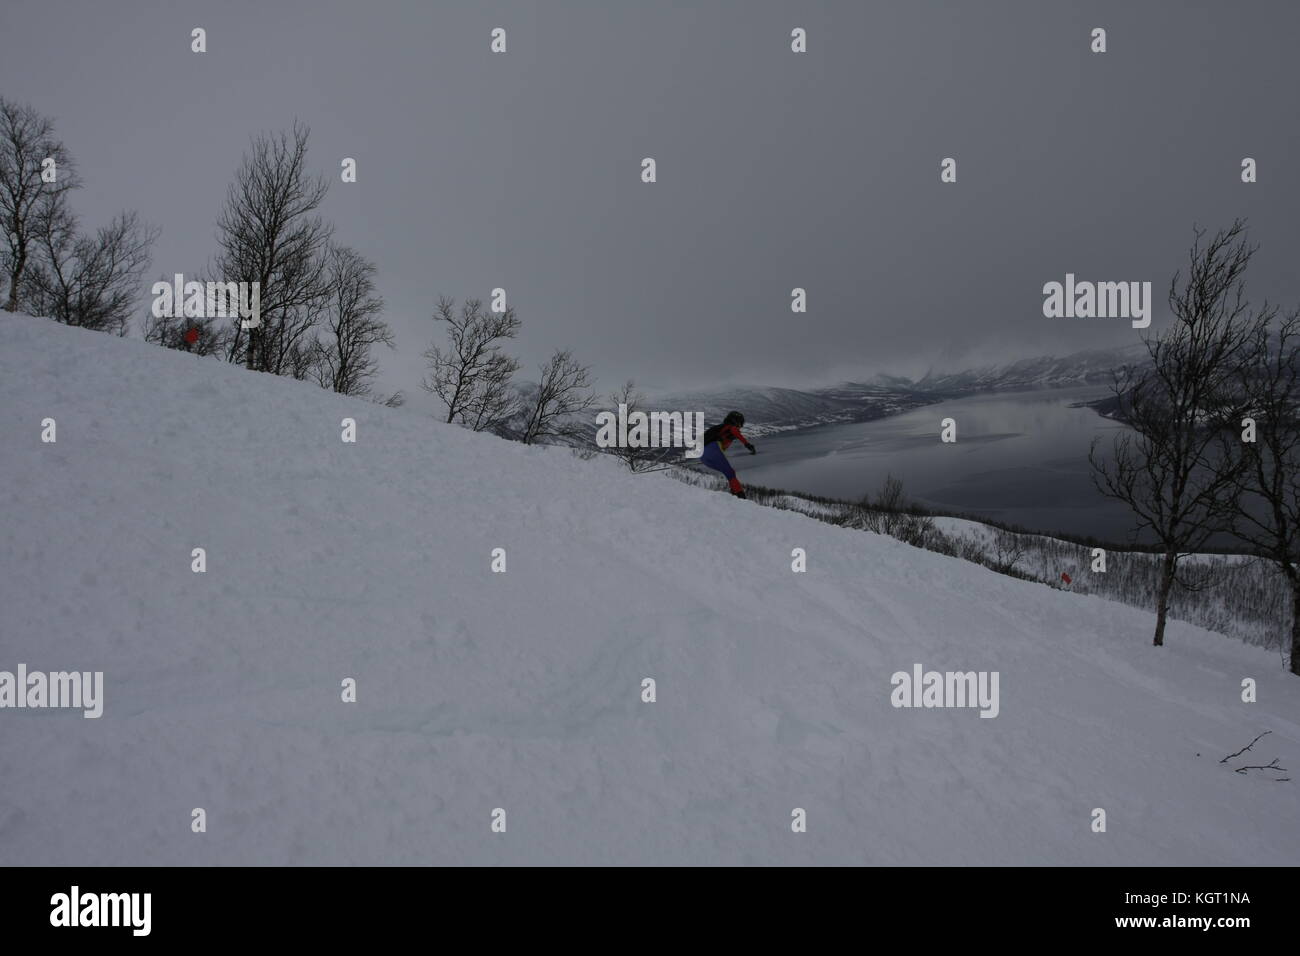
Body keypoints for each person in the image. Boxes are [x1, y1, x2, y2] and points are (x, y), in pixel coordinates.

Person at [699, 410, 756, 498]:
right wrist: (748, 445)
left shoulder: (721, 428)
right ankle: (741, 497)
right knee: (730, 472)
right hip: (712, 448)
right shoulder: (730, 427)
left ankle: (735, 494)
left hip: (703, 457)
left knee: (728, 472)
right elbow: (737, 433)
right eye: (740, 423)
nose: (740, 426)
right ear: (736, 421)